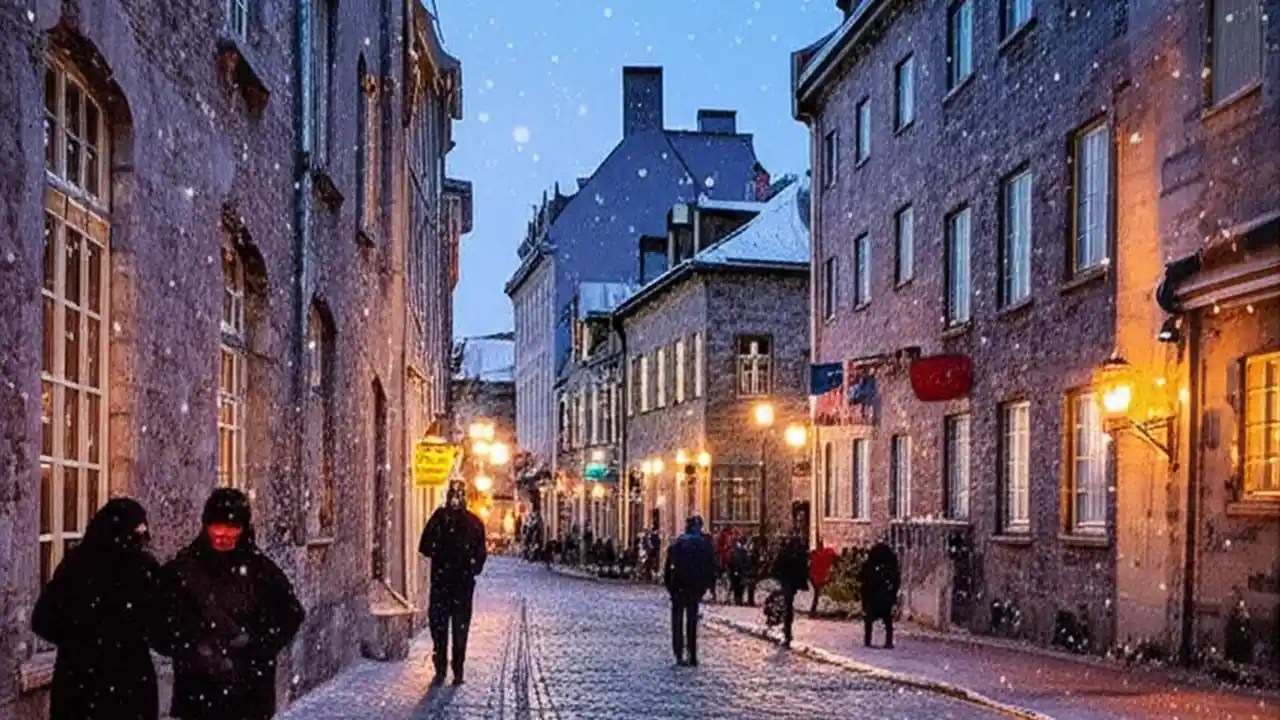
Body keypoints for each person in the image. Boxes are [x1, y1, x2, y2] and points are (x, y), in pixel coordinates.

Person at [160, 488, 305, 720]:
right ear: (206, 526)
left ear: (243, 529)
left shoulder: (260, 571)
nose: (224, 534)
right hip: (199, 692)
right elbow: (160, 621)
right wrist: (190, 645)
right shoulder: (183, 570)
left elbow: (291, 613)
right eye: (218, 526)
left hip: (248, 694)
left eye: (233, 528)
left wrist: (257, 646)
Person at [33, 498, 163, 720]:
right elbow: (43, 619)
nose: (136, 544)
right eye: (133, 537)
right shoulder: (79, 567)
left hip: (122, 684)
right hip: (86, 683)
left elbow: (161, 623)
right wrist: (86, 638)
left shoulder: (144, 568)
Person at [419, 483, 487, 685]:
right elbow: (425, 546)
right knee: (454, 627)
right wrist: (470, 566)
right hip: (456, 583)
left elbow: (425, 547)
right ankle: (450, 667)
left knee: (448, 626)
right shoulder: (447, 519)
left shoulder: (448, 520)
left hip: (449, 582)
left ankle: (449, 667)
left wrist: (442, 557)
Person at [664, 515, 716, 666]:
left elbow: (668, 569)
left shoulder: (677, 544)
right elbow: (711, 568)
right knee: (692, 621)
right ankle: (692, 654)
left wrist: (670, 587)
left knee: (677, 621)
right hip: (694, 588)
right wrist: (705, 587)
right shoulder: (705, 545)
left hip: (678, 588)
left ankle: (679, 653)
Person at [858, 540, 902, 649]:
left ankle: (868, 640)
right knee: (887, 621)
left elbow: (863, 580)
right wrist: (893, 595)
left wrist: (864, 597)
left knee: (870, 620)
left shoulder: (870, 564)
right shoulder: (890, 564)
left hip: (873, 597)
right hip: (884, 597)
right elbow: (896, 580)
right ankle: (888, 641)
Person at [771, 529, 810, 647]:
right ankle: (787, 631)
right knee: (788, 607)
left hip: (787, 582)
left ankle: (787, 631)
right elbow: (804, 569)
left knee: (787, 607)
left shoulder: (786, 553)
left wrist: (778, 576)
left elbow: (776, 567)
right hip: (792, 584)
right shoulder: (799, 553)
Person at [808, 540, 838, 616]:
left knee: (817, 594)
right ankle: (813, 610)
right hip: (819, 577)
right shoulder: (827, 554)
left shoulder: (815, 555)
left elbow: (810, 565)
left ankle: (814, 610)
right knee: (818, 593)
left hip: (815, 577)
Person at [728, 536, 750, 605]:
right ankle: (738, 599)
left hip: (736, 570)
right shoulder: (740, 550)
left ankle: (738, 599)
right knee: (739, 586)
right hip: (739, 570)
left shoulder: (736, 550)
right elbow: (740, 561)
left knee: (737, 586)